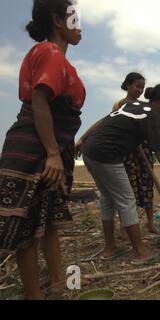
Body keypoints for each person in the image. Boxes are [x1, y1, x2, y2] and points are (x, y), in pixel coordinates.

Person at [0, 0, 84, 299]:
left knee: (47, 221)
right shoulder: (49, 52)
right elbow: (39, 101)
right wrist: (51, 153)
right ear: (57, 21)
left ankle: (60, 282)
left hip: (47, 148)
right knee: (26, 230)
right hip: (32, 151)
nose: (80, 27)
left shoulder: (58, 58)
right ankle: (34, 294)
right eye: (74, 19)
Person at [79, 83, 160, 264]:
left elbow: (103, 120)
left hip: (90, 150)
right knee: (127, 200)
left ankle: (110, 248)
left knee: (108, 200)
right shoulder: (153, 117)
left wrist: (82, 140)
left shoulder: (134, 105)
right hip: (107, 154)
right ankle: (140, 253)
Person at [113, 73, 159, 235]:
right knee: (128, 190)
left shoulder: (143, 106)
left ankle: (150, 224)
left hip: (144, 151)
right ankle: (126, 227)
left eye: (142, 87)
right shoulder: (119, 104)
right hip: (128, 152)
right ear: (127, 85)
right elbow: (115, 127)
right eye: (137, 86)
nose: (140, 90)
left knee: (147, 187)